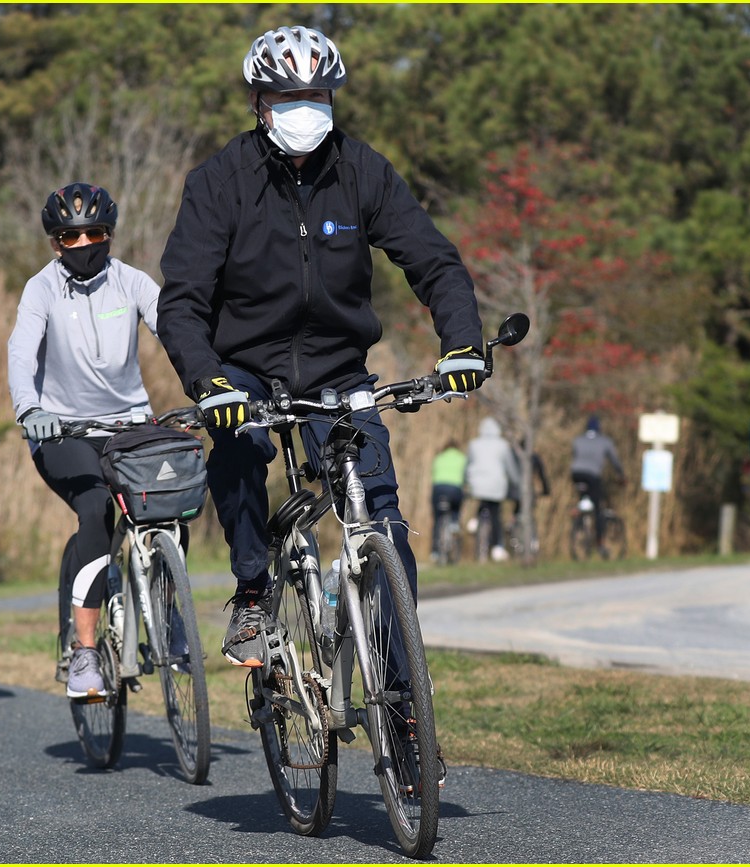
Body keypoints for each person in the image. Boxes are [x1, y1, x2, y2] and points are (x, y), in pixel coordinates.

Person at [157, 24, 485, 670]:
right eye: (288, 96)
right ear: (259, 102)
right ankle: (253, 592)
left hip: (338, 371)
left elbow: (433, 261)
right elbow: (183, 300)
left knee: (380, 518)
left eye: (318, 94)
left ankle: (402, 704)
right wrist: (207, 380)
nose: (305, 108)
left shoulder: (363, 170)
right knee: (239, 445)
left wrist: (463, 344)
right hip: (246, 369)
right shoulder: (220, 180)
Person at [7, 182, 164, 699]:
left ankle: (170, 617)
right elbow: (21, 353)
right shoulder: (42, 289)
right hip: (61, 430)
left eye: (93, 234)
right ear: (55, 243)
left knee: (169, 501)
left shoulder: (133, 283)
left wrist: (210, 387)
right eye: (69, 238)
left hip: (128, 424)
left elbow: (177, 333)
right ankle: (85, 654)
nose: (82, 245)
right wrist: (29, 408)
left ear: (110, 236)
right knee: (95, 509)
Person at [465, 418, 521, 562]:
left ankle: (476, 520)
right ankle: (497, 547)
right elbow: (510, 468)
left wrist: (466, 482)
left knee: (482, 500)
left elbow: (468, 464)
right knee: (495, 514)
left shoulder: (474, 444)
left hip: (477, 484)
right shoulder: (503, 445)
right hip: (496, 485)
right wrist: (517, 482)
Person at [570, 415, 626, 557]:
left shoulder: (578, 440)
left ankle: (578, 513)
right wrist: (621, 475)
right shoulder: (605, 441)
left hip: (576, 475)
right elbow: (614, 461)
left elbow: (575, 456)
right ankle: (600, 543)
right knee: (598, 509)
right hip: (593, 476)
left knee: (583, 496)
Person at [429, 440, 467, 561]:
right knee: (456, 507)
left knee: (437, 519)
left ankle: (435, 552)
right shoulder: (462, 458)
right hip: (455, 489)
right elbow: (466, 476)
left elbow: (433, 474)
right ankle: (454, 523)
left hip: (439, 489)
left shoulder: (439, 457)